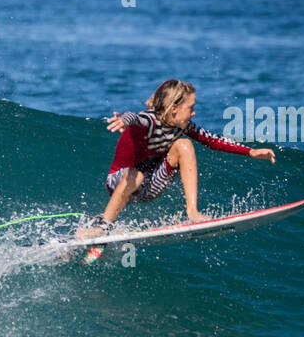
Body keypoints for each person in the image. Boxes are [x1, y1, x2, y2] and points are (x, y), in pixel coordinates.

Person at [77, 79, 276, 239]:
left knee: (184, 145)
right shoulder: (150, 120)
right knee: (135, 175)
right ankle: (102, 227)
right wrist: (123, 119)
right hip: (119, 181)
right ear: (174, 108)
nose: (194, 112)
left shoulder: (182, 126)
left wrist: (250, 152)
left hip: (151, 184)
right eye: (191, 107)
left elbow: (212, 140)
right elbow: (134, 117)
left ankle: (192, 212)